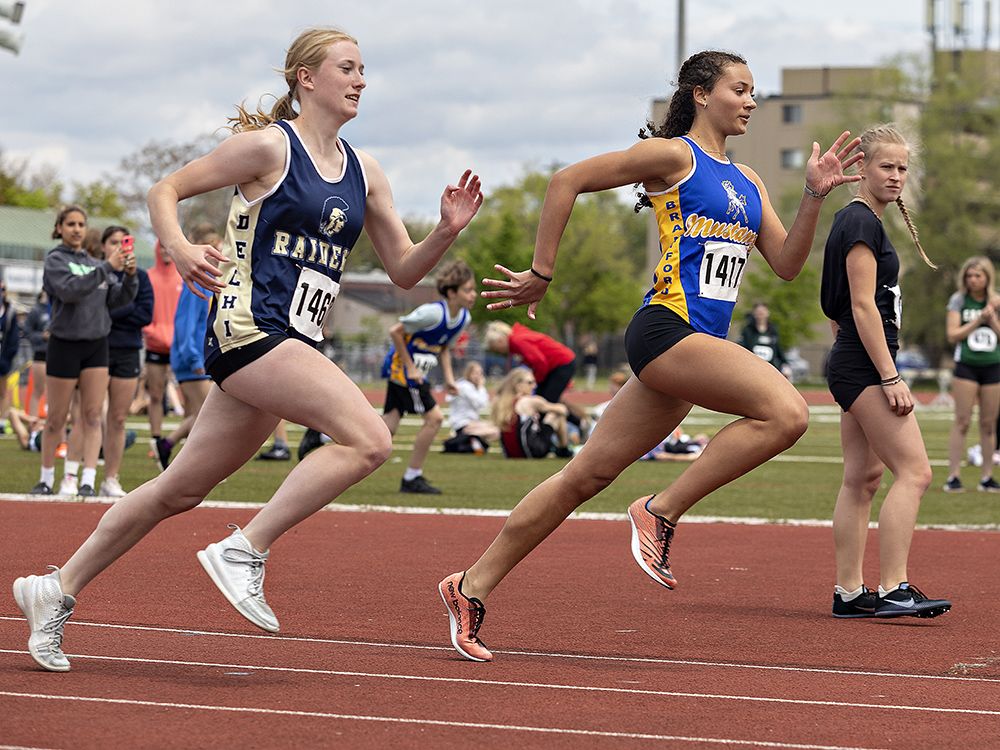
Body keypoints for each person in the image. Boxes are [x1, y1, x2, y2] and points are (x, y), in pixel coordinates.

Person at [12, 27, 482, 673]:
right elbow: (165, 190)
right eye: (347, 67)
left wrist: (448, 232)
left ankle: (54, 589)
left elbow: (403, 269)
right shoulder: (268, 147)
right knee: (369, 440)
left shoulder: (365, 170)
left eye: (365, 69)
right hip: (250, 329)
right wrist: (176, 247)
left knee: (178, 490)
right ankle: (246, 548)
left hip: (295, 339)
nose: (361, 80)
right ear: (305, 78)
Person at [437, 49, 862, 662]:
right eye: (739, 89)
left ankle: (469, 585)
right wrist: (541, 272)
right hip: (666, 329)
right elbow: (566, 182)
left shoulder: (749, 181)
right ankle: (660, 511)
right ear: (699, 93)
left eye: (754, 92)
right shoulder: (676, 157)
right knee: (787, 413)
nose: (750, 101)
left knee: (584, 476)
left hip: (696, 350)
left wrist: (814, 196)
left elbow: (789, 265)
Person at [822, 124, 951, 620]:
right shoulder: (860, 222)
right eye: (886, 166)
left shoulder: (858, 221)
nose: (896, 176)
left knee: (863, 477)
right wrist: (890, 376)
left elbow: (837, 309)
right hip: (865, 364)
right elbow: (860, 305)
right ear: (862, 168)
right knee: (915, 472)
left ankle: (850, 593)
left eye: (902, 168)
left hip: (851, 360)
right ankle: (894, 586)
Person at [28, 206, 138, 497]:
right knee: (56, 418)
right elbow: (69, 291)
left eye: (81, 224)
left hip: (96, 345)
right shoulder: (55, 260)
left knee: (91, 415)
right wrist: (107, 267)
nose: (77, 229)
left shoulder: (94, 262)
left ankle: (88, 479)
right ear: (60, 228)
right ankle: (46, 478)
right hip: (64, 344)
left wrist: (129, 276)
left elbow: (117, 300)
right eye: (71, 224)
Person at [382, 259, 476, 494]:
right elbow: (395, 331)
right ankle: (412, 477)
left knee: (387, 428)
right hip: (403, 370)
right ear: (452, 293)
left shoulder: (464, 318)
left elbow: (444, 348)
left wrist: (449, 379)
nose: (473, 295)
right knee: (434, 419)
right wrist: (410, 367)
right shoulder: (432, 314)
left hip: (414, 371)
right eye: (468, 290)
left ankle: (321, 438)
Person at [155, 224, 219, 470]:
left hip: (197, 357)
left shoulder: (209, 280)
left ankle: (169, 448)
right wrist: (194, 359)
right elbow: (186, 324)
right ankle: (187, 460)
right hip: (190, 359)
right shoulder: (198, 281)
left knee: (198, 415)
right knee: (208, 416)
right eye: (217, 250)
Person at [102, 226, 154, 497]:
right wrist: (122, 309)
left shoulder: (141, 277)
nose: (119, 247)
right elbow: (96, 309)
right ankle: (82, 473)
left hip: (128, 350)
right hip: (97, 348)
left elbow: (145, 314)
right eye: (112, 242)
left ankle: (111, 477)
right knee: (90, 415)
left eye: (122, 242)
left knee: (118, 417)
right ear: (103, 246)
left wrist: (114, 311)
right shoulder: (100, 273)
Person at [943, 256, 1000, 493]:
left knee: (988, 424)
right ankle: (953, 476)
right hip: (966, 366)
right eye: (969, 275)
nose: (973, 280)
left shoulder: (995, 301)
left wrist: (992, 318)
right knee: (962, 421)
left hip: (993, 366)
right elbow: (952, 334)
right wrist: (978, 320)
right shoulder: (959, 300)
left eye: (978, 275)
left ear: (987, 278)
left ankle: (987, 477)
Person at [142, 240, 183, 452]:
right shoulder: (148, 277)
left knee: (191, 398)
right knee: (156, 395)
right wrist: (152, 331)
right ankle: (156, 439)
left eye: (169, 247)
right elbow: (142, 310)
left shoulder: (182, 276)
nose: (166, 251)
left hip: (179, 346)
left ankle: (190, 441)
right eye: (163, 247)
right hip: (155, 345)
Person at [484, 320, 577, 413]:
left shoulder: (518, 341)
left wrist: (535, 382)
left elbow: (540, 362)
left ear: (500, 341)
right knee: (545, 400)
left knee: (545, 403)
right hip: (557, 365)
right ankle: (580, 422)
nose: (499, 352)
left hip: (561, 364)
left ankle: (579, 422)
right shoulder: (516, 339)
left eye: (496, 348)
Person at [491, 367, 571, 459]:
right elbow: (562, 409)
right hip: (532, 452)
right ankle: (564, 451)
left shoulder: (501, 402)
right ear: (518, 385)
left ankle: (560, 449)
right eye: (530, 383)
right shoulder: (529, 401)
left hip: (509, 454)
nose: (534, 386)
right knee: (556, 415)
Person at [443, 360, 500, 454]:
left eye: (480, 373)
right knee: (496, 432)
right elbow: (481, 403)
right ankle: (466, 436)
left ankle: (471, 439)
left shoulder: (466, 385)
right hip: (463, 424)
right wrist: (481, 386)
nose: (478, 376)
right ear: (468, 373)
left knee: (496, 429)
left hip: (470, 422)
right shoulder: (465, 386)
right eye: (475, 373)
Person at [23, 290, 50, 439]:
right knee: (38, 390)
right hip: (41, 354)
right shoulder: (36, 310)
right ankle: (33, 426)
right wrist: (42, 336)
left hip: (60, 354)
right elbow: (27, 331)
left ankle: (52, 426)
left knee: (55, 393)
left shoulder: (60, 306)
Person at [739, 302, 790, 377]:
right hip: (752, 368)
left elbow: (778, 349)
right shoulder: (748, 330)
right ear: (754, 314)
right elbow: (743, 347)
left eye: (763, 311)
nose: (761, 314)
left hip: (770, 368)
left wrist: (785, 364)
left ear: (767, 313)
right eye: (758, 312)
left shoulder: (773, 330)